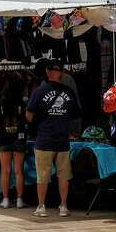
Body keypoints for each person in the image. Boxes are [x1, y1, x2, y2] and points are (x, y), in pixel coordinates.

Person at [26, 60, 80, 217]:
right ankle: (63, 206)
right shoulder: (69, 92)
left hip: (44, 138)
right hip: (63, 139)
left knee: (42, 175)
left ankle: (41, 206)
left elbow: (29, 115)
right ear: (62, 73)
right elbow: (75, 114)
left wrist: (39, 121)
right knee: (64, 175)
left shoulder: (39, 91)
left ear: (48, 72)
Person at [0, 76, 28, 209]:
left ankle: (6, 200)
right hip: (19, 138)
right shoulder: (23, 103)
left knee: (5, 170)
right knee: (18, 171)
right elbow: (27, 121)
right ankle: (19, 200)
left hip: (3, 139)